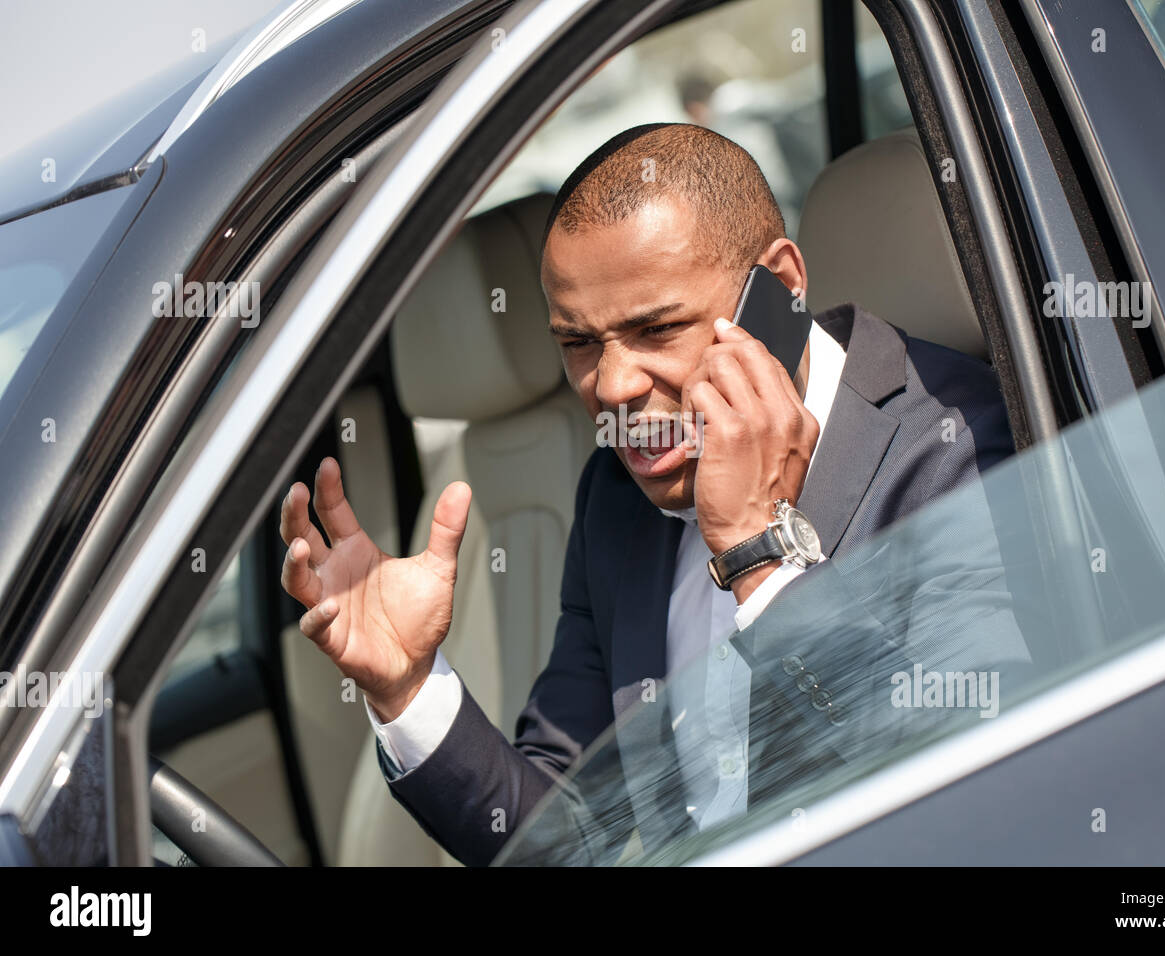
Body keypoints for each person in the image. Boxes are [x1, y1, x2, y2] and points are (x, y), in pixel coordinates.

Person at [279, 123, 1023, 866]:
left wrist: (761, 556)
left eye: (657, 329)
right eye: (577, 342)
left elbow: (974, 805)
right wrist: (410, 690)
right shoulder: (617, 492)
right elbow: (565, 840)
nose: (611, 386)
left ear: (782, 288)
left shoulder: (966, 445)